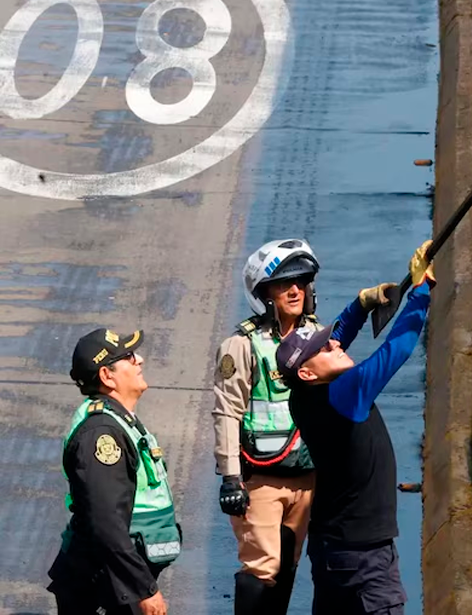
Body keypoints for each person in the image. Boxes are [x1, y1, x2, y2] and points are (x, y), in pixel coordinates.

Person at [211, 238, 394, 613]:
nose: (294, 290)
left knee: (288, 565)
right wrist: (230, 477)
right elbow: (227, 411)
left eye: (301, 282)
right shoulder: (242, 345)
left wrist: (362, 305)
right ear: (264, 293)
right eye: (283, 284)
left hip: (308, 477)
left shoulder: (314, 335)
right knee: (262, 568)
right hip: (261, 479)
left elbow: (339, 337)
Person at [277, 240, 435, 614]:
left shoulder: (301, 396)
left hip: (332, 550)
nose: (335, 345)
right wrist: (421, 289)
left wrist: (361, 306)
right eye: (325, 348)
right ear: (307, 372)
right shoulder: (345, 393)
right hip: (366, 560)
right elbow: (398, 349)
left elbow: (334, 342)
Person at [47, 328, 181, 615]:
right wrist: (143, 588)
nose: (140, 360)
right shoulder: (101, 435)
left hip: (115, 579)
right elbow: (106, 522)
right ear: (107, 376)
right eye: (129, 357)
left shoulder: (118, 420)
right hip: (109, 583)